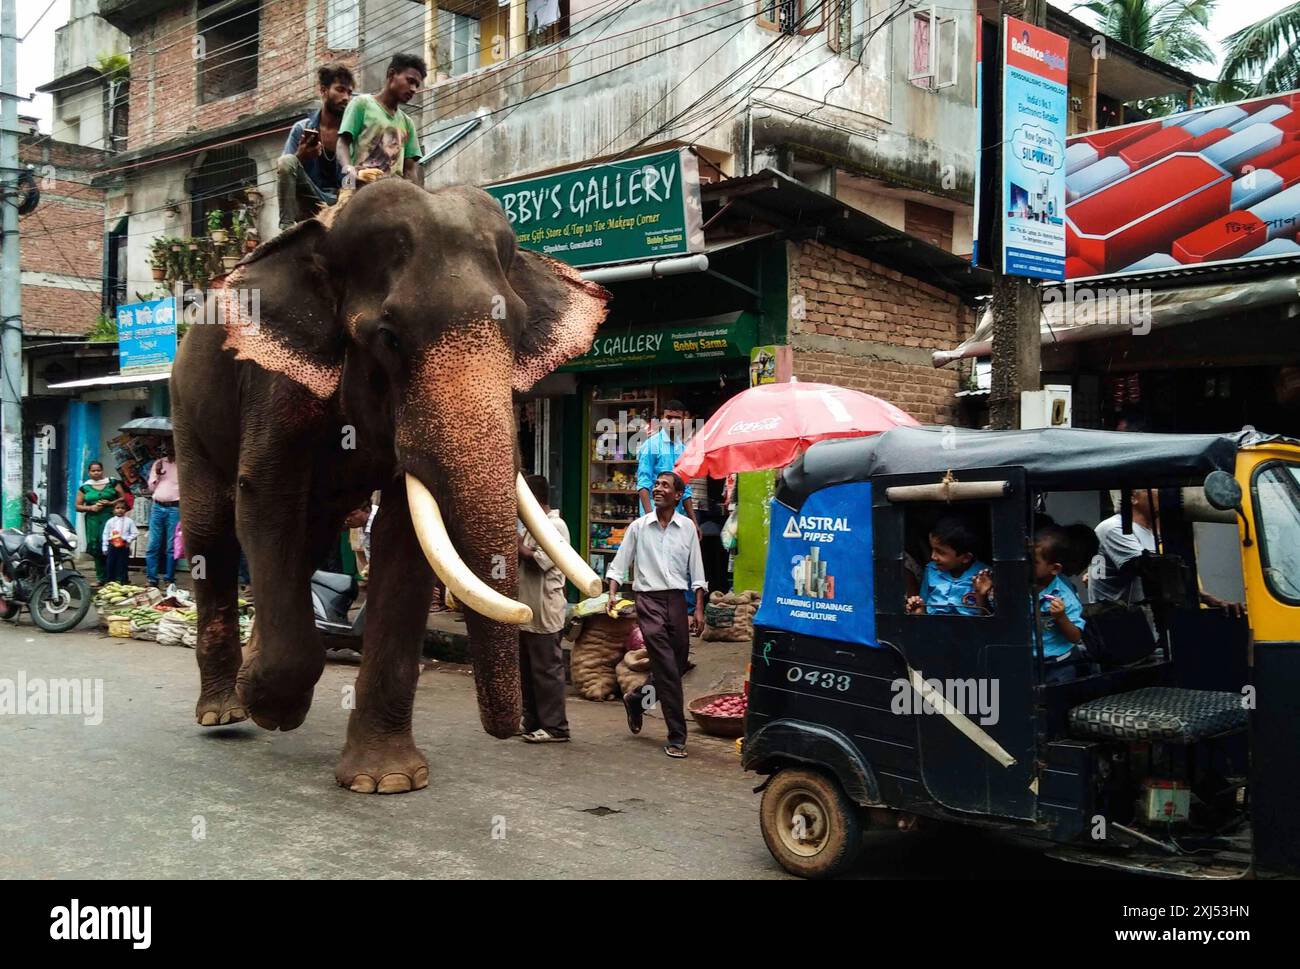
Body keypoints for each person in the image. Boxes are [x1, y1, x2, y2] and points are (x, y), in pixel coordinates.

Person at [607, 471, 708, 760]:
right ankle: (677, 736)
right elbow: (619, 563)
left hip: (677, 601)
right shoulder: (639, 527)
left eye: (665, 485)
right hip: (648, 601)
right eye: (656, 484)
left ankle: (638, 700)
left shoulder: (687, 528)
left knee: (675, 666)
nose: (658, 489)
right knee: (665, 665)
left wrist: (698, 607)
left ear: (678, 496)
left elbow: (697, 570)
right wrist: (613, 593)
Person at [1090, 488, 1241, 614]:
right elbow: (1150, 569)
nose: (1161, 494)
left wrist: (1209, 599)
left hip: (1141, 620)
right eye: (1154, 489)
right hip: (1117, 623)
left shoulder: (1150, 532)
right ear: (1132, 498)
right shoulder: (1114, 527)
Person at [516, 474, 571, 743]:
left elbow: (541, 561)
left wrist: (517, 545)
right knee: (528, 671)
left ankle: (555, 726)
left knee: (546, 670)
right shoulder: (530, 526)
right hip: (527, 611)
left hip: (545, 610)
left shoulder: (555, 526)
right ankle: (532, 721)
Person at [276, 63, 354, 229]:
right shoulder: (301, 129)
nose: (346, 97)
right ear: (324, 91)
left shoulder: (352, 134)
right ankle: (286, 229)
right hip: (311, 198)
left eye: (349, 92)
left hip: (342, 203)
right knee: (287, 161)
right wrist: (301, 156)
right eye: (340, 90)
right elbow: (286, 170)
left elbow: (353, 178)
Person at [338, 54, 425, 188]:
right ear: (391, 75)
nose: (413, 89)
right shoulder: (362, 104)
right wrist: (349, 171)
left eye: (417, 85)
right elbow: (342, 143)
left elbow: (410, 170)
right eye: (410, 81)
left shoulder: (408, 123)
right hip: (359, 190)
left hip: (392, 196)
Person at [906, 516, 993, 616]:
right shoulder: (931, 570)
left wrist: (981, 595)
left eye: (940, 552)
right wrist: (919, 610)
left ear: (966, 558)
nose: (933, 556)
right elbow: (924, 607)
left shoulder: (984, 576)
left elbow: (987, 618)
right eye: (932, 549)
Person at [1032, 527, 1087, 683]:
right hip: (1029, 664)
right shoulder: (1021, 589)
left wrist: (1061, 617)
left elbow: (1075, 636)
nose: (1026, 565)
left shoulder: (1064, 596)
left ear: (1054, 568)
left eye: (1034, 562)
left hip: (1058, 666)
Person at [636, 400, 699, 531]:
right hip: (654, 515)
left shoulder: (682, 450)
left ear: (683, 421)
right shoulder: (651, 446)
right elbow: (643, 484)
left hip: (677, 518)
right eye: (669, 417)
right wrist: (649, 517)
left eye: (677, 418)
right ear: (662, 419)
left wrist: (694, 523)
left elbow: (685, 489)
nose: (672, 422)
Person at [75, 461, 126, 586]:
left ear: (102, 471)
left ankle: (116, 578)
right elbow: (77, 506)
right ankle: (101, 577)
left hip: (111, 519)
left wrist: (111, 503)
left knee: (114, 545)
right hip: (93, 521)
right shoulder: (84, 487)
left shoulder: (112, 482)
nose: (96, 473)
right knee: (97, 548)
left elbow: (123, 498)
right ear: (89, 472)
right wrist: (91, 508)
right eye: (93, 471)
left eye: (98, 470)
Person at [146, 444, 181, 590]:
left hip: (175, 507)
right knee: (153, 545)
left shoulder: (183, 463)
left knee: (172, 546)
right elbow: (151, 488)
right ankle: (152, 579)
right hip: (157, 507)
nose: (170, 451)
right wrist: (158, 475)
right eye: (168, 449)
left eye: (173, 448)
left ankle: (169, 578)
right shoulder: (158, 463)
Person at [101, 500, 138, 585]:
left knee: (122, 563)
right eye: (117, 508)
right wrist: (105, 547)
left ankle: (123, 581)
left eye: (122, 508)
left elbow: (135, 533)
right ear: (113, 510)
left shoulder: (129, 521)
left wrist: (128, 539)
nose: (120, 510)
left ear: (125, 510)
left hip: (123, 545)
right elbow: (105, 534)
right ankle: (110, 581)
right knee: (110, 563)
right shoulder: (110, 521)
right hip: (112, 545)